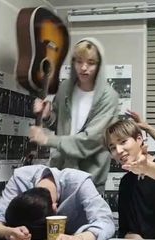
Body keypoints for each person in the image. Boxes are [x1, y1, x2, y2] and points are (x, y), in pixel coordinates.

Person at [29, 38, 119, 194]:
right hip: (60, 174)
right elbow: (58, 125)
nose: (84, 68)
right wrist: (48, 115)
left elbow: (92, 140)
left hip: (91, 179)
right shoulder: (65, 88)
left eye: (91, 62)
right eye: (79, 61)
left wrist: (48, 139)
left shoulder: (109, 97)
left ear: (99, 65)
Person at [0, 165, 115, 240]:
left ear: (55, 207)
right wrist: (9, 232)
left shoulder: (78, 182)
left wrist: (78, 239)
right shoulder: (21, 179)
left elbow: (105, 222)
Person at [104, 119, 155, 239]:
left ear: (139, 139)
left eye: (123, 142)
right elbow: (125, 228)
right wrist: (132, 237)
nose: (118, 151)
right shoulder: (126, 182)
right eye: (113, 148)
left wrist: (147, 168)